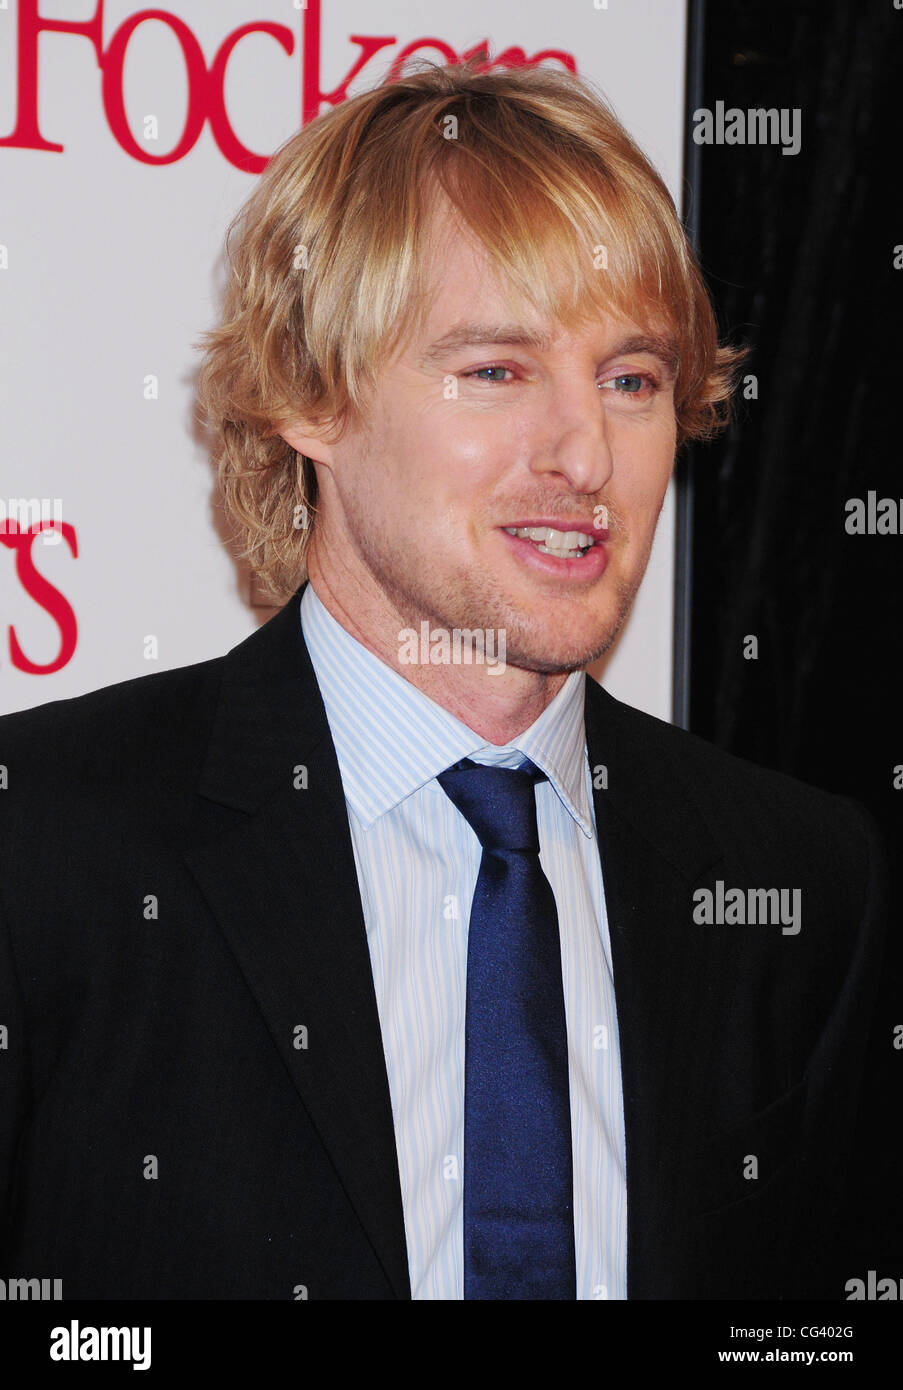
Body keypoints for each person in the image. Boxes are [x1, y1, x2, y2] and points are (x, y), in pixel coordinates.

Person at [0, 59, 886, 1301]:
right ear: (313, 393)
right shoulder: (41, 840)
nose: (587, 453)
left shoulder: (798, 879)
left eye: (630, 380)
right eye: (496, 369)